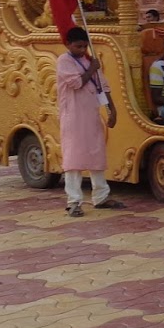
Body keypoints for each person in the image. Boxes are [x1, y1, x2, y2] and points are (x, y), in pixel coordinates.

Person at [56, 26, 120, 217]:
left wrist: (112, 110)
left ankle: (101, 197)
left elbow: (103, 86)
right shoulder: (64, 61)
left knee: (96, 154)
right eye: (78, 46)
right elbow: (76, 83)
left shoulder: (89, 60)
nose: (82, 50)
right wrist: (92, 68)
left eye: (84, 46)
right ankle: (74, 202)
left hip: (91, 115)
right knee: (73, 159)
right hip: (73, 116)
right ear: (68, 45)